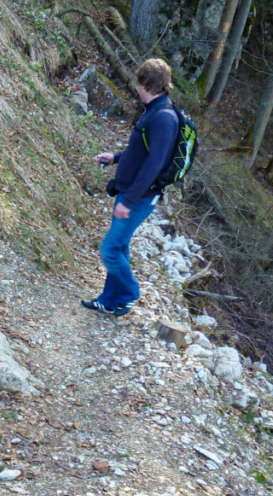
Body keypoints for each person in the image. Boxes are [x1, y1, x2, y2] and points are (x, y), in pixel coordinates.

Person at [83, 58, 180, 317]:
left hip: (138, 198)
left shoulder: (164, 118)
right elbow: (140, 152)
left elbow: (154, 164)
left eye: (139, 83)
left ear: (147, 83)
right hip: (129, 193)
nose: (137, 88)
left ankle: (129, 294)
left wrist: (129, 201)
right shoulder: (154, 111)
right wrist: (115, 157)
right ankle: (109, 299)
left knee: (109, 249)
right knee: (120, 247)